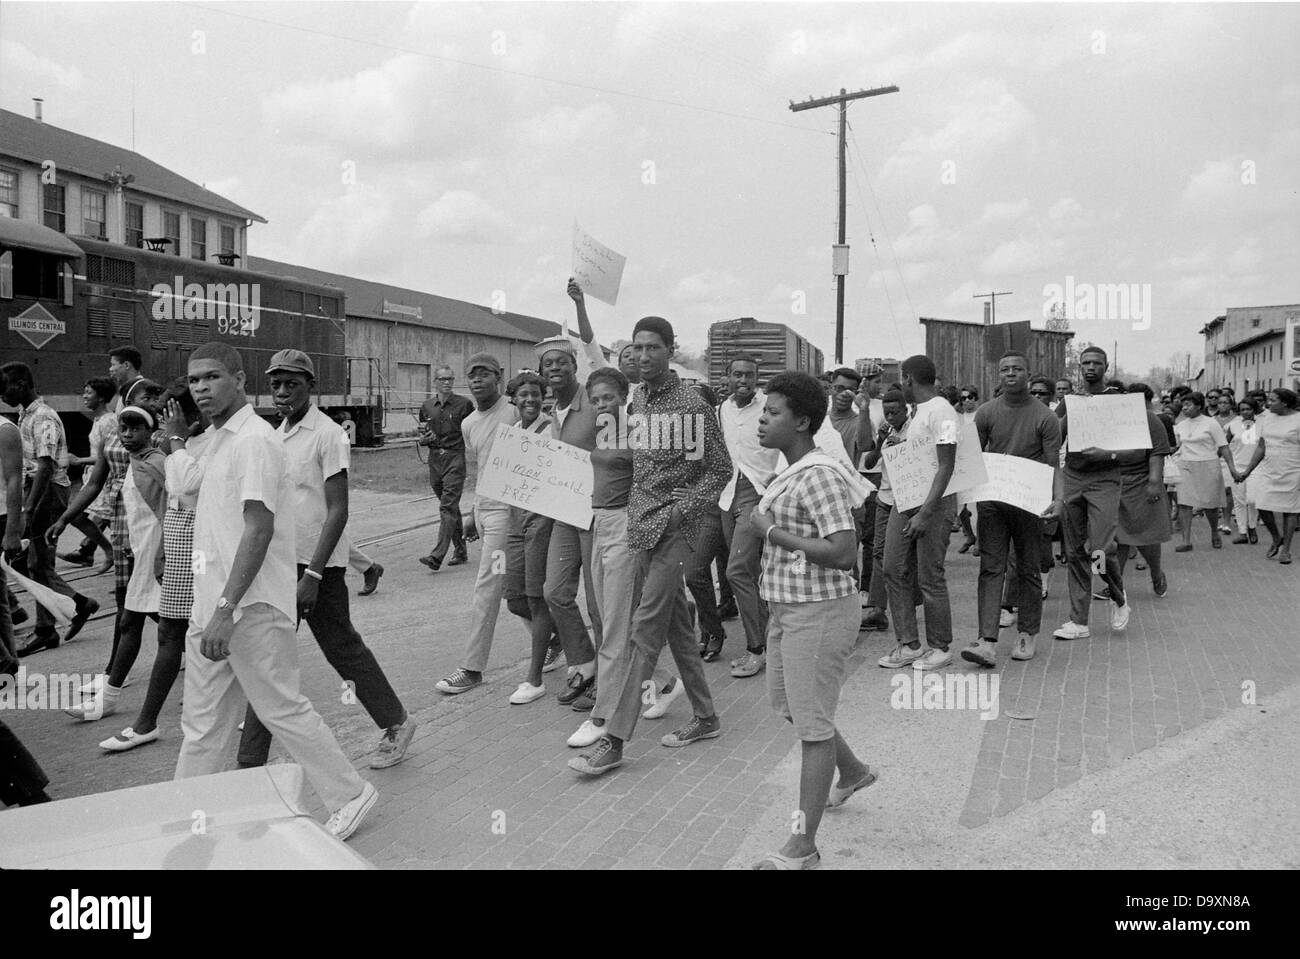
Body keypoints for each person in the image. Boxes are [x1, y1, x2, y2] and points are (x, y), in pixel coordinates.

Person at [169, 342, 377, 841]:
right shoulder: (216, 440)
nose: (200, 387)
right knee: (202, 725)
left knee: (281, 707)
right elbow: (185, 491)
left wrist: (226, 608)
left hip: (248, 606)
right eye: (194, 379)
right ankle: (185, 816)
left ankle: (350, 793)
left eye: (212, 377)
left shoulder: (255, 441)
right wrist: (178, 439)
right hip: (213, 607)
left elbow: (258, 529)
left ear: (240, 381)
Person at [234, 350, 415, 769]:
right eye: (276, 384)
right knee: (270, 654)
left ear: (310, 387)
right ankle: (250, 761)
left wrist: (314, 573)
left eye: (291, 384)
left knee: (341, 648)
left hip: (317, 567)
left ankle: (396, 723)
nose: (281, 393)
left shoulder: (328, 434)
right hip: (279, 561)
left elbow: (338, 509)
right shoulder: (273, 435)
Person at [568, 316, 731, 776]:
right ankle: (706, 716)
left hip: (676, 532)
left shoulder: (690, 405)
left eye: (653, 347)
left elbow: (718, 470)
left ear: (670, 349)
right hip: (640, 529)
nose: (642, 355)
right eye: (637, 348)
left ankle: (614, 741)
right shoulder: (636, 399)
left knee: (642, 631)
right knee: (677, 628)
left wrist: (683, 509)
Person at [746, 372, 874, 870]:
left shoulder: (817, 474)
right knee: (792, 707)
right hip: (788, 609)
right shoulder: (794, 470)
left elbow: (843, 551)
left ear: (801, 421)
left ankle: (803, 846)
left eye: (772, 412)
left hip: (817, 614)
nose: (762, 419)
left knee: (811, 727)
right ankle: (854, 772)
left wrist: (772, 532)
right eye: (762, 410)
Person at [567, 368, 682, 748]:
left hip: (625, 526)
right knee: (610, 616)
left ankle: (604, 715)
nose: (602, 404)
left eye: (609, 397)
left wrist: (644, 527)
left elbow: (657, 481)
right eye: (596, 399)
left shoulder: (639, 430)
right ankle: (665, 680)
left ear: (624, 395)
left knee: (613, 627)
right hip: (597, 522)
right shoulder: (601, 431)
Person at [98, 381, 205, 751]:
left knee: (208, 636)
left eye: (169, 416)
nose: (164, 425)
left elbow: (184, 493)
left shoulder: (174, 453)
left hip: (192, 554)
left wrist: (176, 443)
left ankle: (257, 710)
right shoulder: (162, 453)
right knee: (169, 634)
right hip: (167, 553)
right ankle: (142, 720)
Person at [53, 404, 167, 721]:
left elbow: (167, 512)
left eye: (135, 429)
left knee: (158, 628)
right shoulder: (134, 462)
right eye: (123, 429)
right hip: (139, 553)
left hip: (154, 557)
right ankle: (109, 697)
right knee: (136, 623)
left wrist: (161, 555)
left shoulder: (155, 464)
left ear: (151, 431)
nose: (127, 435)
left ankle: (113, 700)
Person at [962, 352, 1061, 666]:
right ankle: (987, 640)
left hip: (1029, 502)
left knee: (1029, 569)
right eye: (1005, 369)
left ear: (1028, 374)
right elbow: (973, 456)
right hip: (993, 500)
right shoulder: (986, 412)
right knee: (991, 568)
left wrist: (1057, 499)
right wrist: (965, 496)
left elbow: (1053, 464)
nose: (1010, 374)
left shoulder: (1045, 416)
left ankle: (1027, 633)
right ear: (998, 375)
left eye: (1017, 369)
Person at [537, 279, 609, 708]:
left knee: (600, 602)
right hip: (566, 514)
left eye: (562, 362)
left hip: (598, 513)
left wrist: (580, 303)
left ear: (574, 367)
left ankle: (609, 674)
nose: (556, 369)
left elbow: (593, 347)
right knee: (555, 591)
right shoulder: (552, 414)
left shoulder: (594, 400)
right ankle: (583, 663)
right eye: (548, 365)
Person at [435, 353, 523, 694]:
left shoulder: (515, 412)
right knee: (515, 590)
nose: (476, 380)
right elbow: (484, 468)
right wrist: (473, 513)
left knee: (487, 587)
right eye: (471, 375)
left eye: (484, 374)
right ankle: (557, 640)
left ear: (499, 376)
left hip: (508, 514)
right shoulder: (469, 423)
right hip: (486, 512)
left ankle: (471, 668)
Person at [1, 363, 100, 657]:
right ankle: (50, 626)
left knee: (38, 563)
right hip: (40, 491)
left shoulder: (43, 416)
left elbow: (45, 466)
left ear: (21, 384)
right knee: (35, 563)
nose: (3, 394)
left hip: (47, 493)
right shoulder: (25, 414)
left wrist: (28, 508)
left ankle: (75, 607)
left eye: (5, 387)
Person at [877, 355, 960, 670]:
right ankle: (909, 644)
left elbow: (947, 465)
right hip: (906, 498)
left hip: (934, 504)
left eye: (902, 380)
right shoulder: (919, 413)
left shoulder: (943, 411)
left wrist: (925, 513)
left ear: (909, 378)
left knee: (929, 575)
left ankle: (940, 647)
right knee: (892, 567)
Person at [1051, 347, 1135, 641]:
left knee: (1101, 548)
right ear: (1079, 367)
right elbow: (1053, 434)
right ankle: (1079, 621)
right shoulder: (1070, 400)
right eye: (1085, 363)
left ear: (1106, 366)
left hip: (1105, 478)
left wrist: (1108, 451)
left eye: (1096, 363)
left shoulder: (1118, 399)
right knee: (1074, 551)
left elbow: (1137, 446)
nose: (1090, 368)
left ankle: (1118, 596)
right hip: (1073, 476)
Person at [500, 372, 559, 705]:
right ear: (514, 399)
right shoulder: (511, 434)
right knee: (514, 599)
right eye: (523, 395)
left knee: (537, 599)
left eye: (535, 394)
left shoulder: (550, 429)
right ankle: (566, 636)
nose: (530, 400)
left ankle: (534, 678)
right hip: (515, 521)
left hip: (542, 521)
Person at [717, 354, 776, 677]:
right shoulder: (721, 409)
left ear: (757, 377)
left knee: (737, 570)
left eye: (749, 375)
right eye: (737, 375)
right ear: (727, 377)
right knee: (748, 572)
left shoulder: (770, 406)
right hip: (727, 494)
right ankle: (768, 642)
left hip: (758, 494)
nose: (743, 381)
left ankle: (756, 649)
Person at [1112, 384, 1174, 598]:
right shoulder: (1106, 417)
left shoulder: (1150, 419)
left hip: (1141, 482)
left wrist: (1154, 481)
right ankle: (1114, 584)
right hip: (1110, 483)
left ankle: (1156, 573)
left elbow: (1158, 451)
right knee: (1113, 538)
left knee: (1146, 536)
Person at [685, 382, 730, 662]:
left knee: (730, 573)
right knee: (694, 574)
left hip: (722, 508)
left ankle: (758, 642)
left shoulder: (723, 436)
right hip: (693, 513)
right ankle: (712, 629)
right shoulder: (681, 436)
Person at [860, 390, 910, 632]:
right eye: (887, 412)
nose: (890, 416)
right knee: (878, 552)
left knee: (898, 557)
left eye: (895, 412)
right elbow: (869, 463)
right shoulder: (887, 430)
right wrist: (880, 443)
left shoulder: (914, 431)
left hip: (905, 501)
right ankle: (877, 609)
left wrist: (904, 447)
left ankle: (905, 604)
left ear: (906, 410)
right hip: (884, 497)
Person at [417, 365, 474, 571]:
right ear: (435, 382)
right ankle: (460, 550)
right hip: (435, 460)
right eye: (442, 379)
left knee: (447, 506)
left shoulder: (464, 405)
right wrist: (425, 439)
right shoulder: (427, 406)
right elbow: (422, 435)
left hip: (455, 458)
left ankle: (437, 555)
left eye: (450, 379)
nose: (447, 382)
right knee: (450, 507)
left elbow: (471, 431)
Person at [1234, 387, 1300, 564]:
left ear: (1285, 402)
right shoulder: (1269, 418)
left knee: (1290, 509)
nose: (1267, 404)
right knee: (1260, 503)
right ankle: (1276, 538)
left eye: (1273, 400)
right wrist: (1247, 470)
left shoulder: (1298, 419)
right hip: (1269, 467)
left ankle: (1286, 550)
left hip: (1293, 468)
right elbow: (1262, 446)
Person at [59, 378, 117, 569]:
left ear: (101, 397)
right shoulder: (99, 420)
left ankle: (116, 555)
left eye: (88, 392)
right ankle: (111, 552)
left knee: (84, 516)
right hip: (95, 476)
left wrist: (79, 460)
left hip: (105, 478)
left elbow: (110, 454)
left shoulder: (109, 421)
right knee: (84, 517)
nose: (84, 396)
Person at [1172, 392, 1233, 551]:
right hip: (1185, 464)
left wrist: (1232, 468)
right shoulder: (1181, 425)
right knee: (1184, 503)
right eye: (1183, 405)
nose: (1184, 408)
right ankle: (1186, 540)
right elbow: (1176, 446)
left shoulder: (1211, 423)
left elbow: (1223, 447)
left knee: (1210, 504)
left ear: (1199, 406)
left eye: (1188, 405)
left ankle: (1214, 531)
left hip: (1208, 464)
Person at [1225, 397, 1261, 544]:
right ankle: (1242, 532)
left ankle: (1252, 526)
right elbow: (1224, 446)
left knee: (1252, 500)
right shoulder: (1233, 426)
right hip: (1237, 467)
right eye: (1242, 409)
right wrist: (1230, 467)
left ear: (1254, 410)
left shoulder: (1263, 425)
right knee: (1239, 501)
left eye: (1248, 409)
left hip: (1257, 468)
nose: (1245, 412)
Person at [108, 345, 145, 411]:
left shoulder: (139, 391)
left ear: (126, 365)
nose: (110, 369)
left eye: (113, 365)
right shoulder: (127, 389)